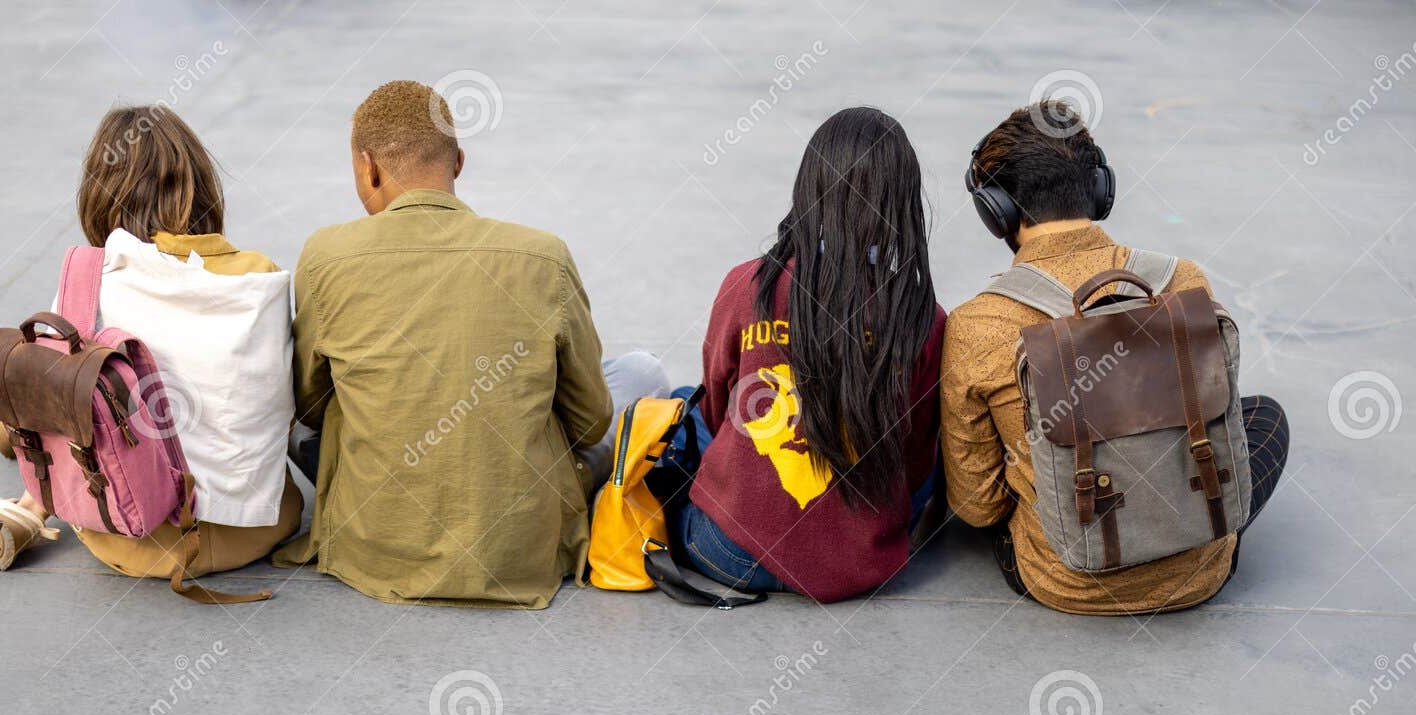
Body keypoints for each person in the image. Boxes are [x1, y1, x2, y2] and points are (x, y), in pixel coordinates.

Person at [275, 80, 668, 609]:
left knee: (277, 393)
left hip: (371, 546)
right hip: (519, 550)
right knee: (643, 373)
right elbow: (592, 421)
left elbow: (309, 407)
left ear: (367, 168)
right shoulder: (543, 255)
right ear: (458, 162)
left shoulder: (326, 255)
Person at [0, 106, 302, 581]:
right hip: (257, 532)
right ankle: (10, 441)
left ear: (99, 194)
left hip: (129, 538)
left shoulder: (89, 279)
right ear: (203, 185)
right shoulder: (259, 276)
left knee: (67, 386)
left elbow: (65, 384)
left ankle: (27, 502)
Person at [942, 102, 1289, 614]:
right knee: (1266, 416)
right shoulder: (1182, 282)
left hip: (1066, 582)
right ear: (1101, 189)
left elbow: (978, 506)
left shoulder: (979, 324)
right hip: (1201, 575)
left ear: (997, 212)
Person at [675, 107, 945, 602]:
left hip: (729, 552)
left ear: (809, 187)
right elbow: (915, 460)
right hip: (861, 565)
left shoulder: (748, 285)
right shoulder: (922, 315)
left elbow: (716, 402)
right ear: (903, 203)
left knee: (682, 404)